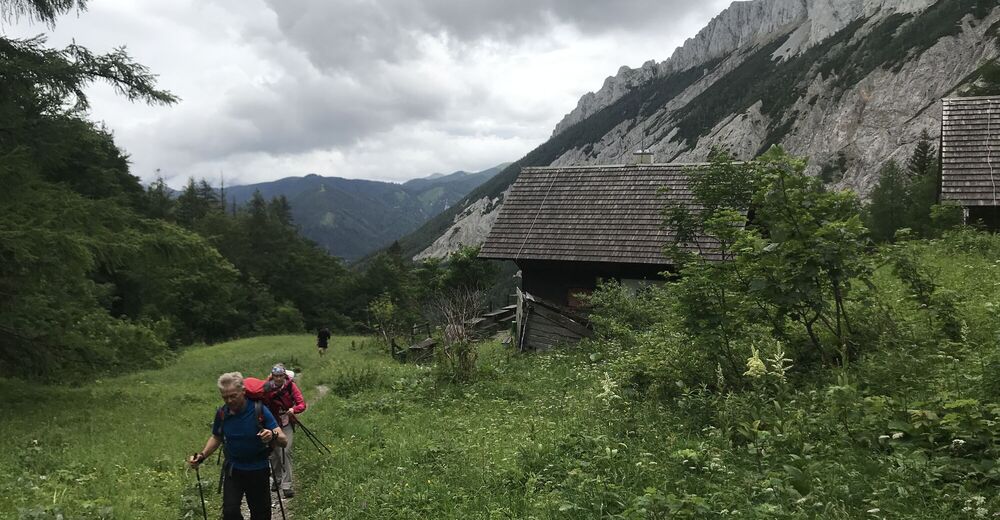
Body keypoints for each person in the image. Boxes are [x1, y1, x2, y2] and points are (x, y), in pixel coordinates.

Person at [187, 372, 287, 520]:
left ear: (243, 392)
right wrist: (201, 456)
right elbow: (217, 437)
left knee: (261, 515)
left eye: (233, 396)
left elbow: (283, 440)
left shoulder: (259, 410)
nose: (229, 400)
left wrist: (272, 435)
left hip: (258, 469)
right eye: (225, 397)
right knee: (230, 512)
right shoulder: (222, 413)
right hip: (233, 470)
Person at [263, 363, 306, 498]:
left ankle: (287, 486)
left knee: (286, 451)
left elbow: (301, 403)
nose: (278, 379)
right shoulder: (267, 387)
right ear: (272, 376)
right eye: (275, 376)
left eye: (280, 376)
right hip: (272, 424)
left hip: (287, 423)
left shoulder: (290, 386)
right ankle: (277, 479)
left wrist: (293, 410)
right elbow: (260, 401)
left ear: (284, 375)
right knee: (274, 455)